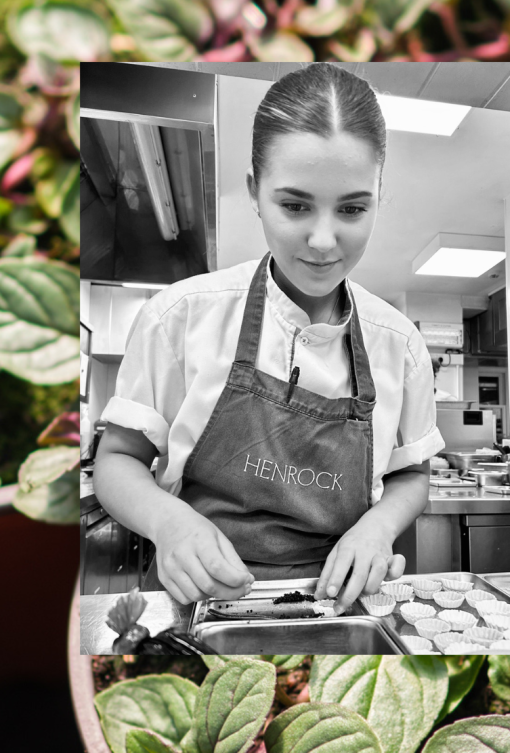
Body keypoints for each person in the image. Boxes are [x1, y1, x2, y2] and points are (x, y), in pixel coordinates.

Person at [93, 63, 445, 614]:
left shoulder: (399, 345)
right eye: (295, 205)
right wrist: (168, 522)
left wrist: (378, 527)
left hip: (338, 605)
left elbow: (412, 476)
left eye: (352, 208)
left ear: (379, 197)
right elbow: (116, 460)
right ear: (254, 192)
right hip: (202, 603)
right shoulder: (180, 316)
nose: (323, 240)